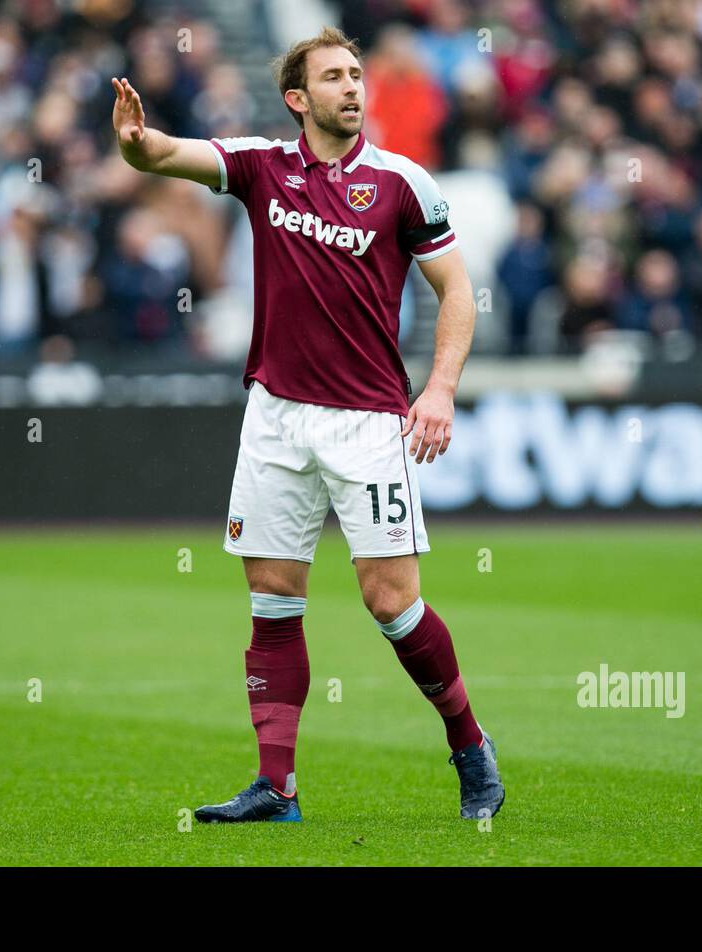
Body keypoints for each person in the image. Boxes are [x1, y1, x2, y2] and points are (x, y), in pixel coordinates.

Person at [111, 26, 502, 822]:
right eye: (334, 77)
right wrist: (133, 141)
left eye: (358, 75)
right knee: (272, 600)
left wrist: (440, 390)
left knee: (390, 602)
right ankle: (276, 788)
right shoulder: (262, 166)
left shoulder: (402, 184)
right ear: (298, 98)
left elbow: (456, 293)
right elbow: (162, 157)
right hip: (276, 417)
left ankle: (469, 745)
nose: (353, 87)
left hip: (367, 421)